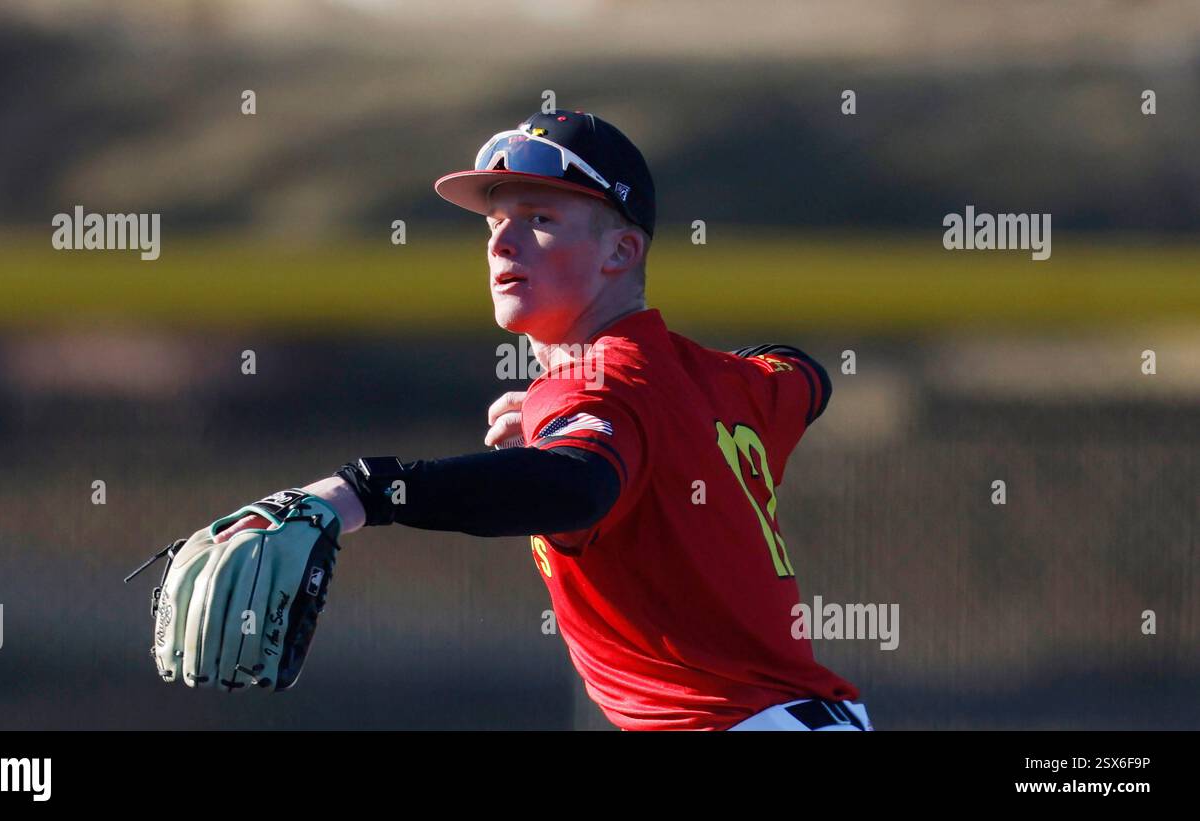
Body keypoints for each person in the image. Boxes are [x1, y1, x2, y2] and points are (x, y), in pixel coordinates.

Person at [211, 109, 872, 731]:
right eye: (494, 220)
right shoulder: (716, 380)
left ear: (620, 252)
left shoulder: (596, 381)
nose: (502, 239)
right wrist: (651, 410)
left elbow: (575, 486)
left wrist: (363, 490)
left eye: (539, 217)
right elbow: (803, 375)